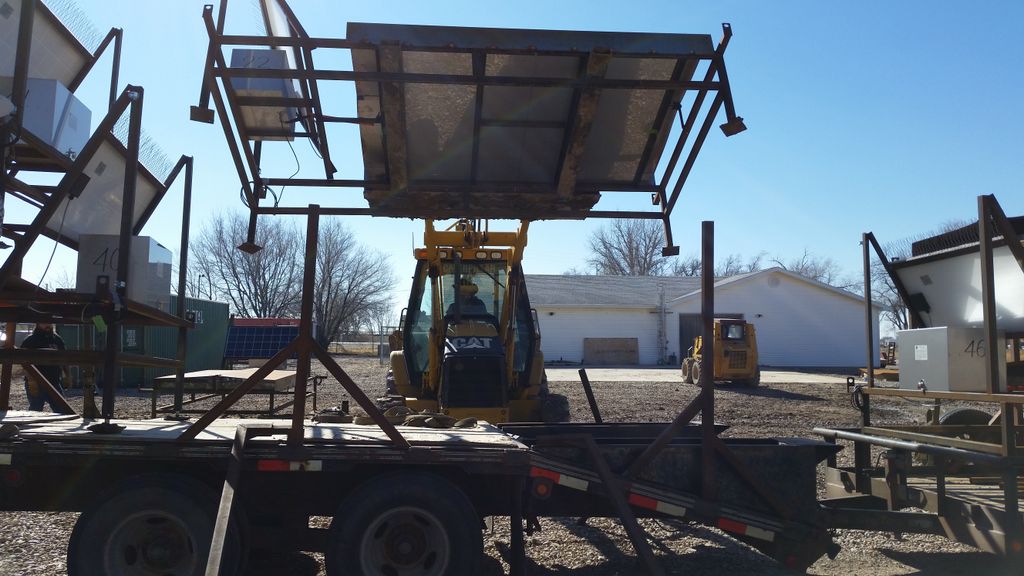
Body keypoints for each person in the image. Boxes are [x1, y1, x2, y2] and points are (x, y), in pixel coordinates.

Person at [19, 322, 71, 412]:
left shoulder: (57, 339)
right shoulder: (30, 340)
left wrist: (68, 376)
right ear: (38, 324)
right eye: (44, 322)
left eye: (49, 322)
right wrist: (31, 380)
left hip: (54, 382)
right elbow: (24, 363)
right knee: (35, 410)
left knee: (62, 410)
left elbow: (64, 359)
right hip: (36, 382)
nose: (47, 324)